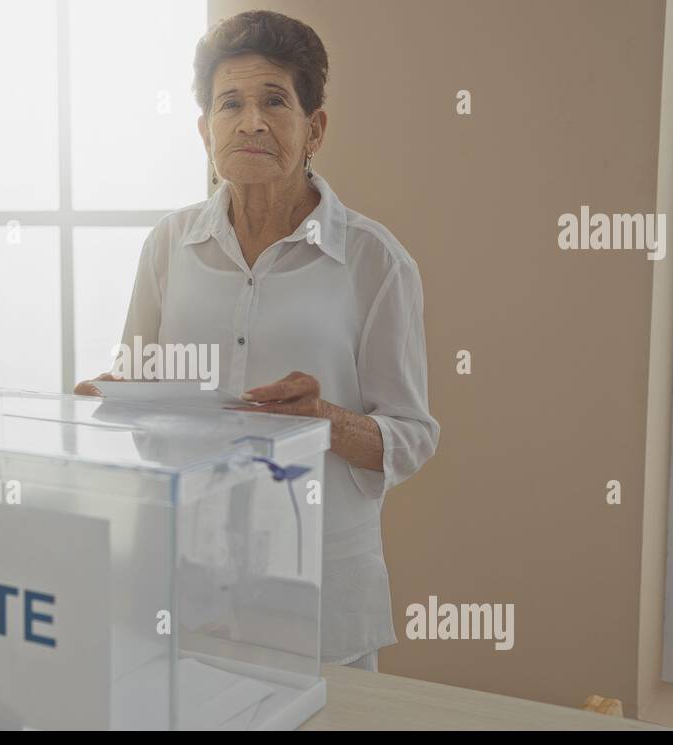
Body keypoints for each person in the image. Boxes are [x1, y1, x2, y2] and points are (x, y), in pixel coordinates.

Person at [75, 10, 439, 672]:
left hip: (322, 599)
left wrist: (321, 422)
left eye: (274, 100)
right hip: (185, 587)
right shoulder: (168, 246)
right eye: (230, 104)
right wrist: (112, 397)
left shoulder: (375, 261)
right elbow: (140, 389)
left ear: (314, 128)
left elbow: (413, 436)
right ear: (204, 129)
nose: (250, 122)